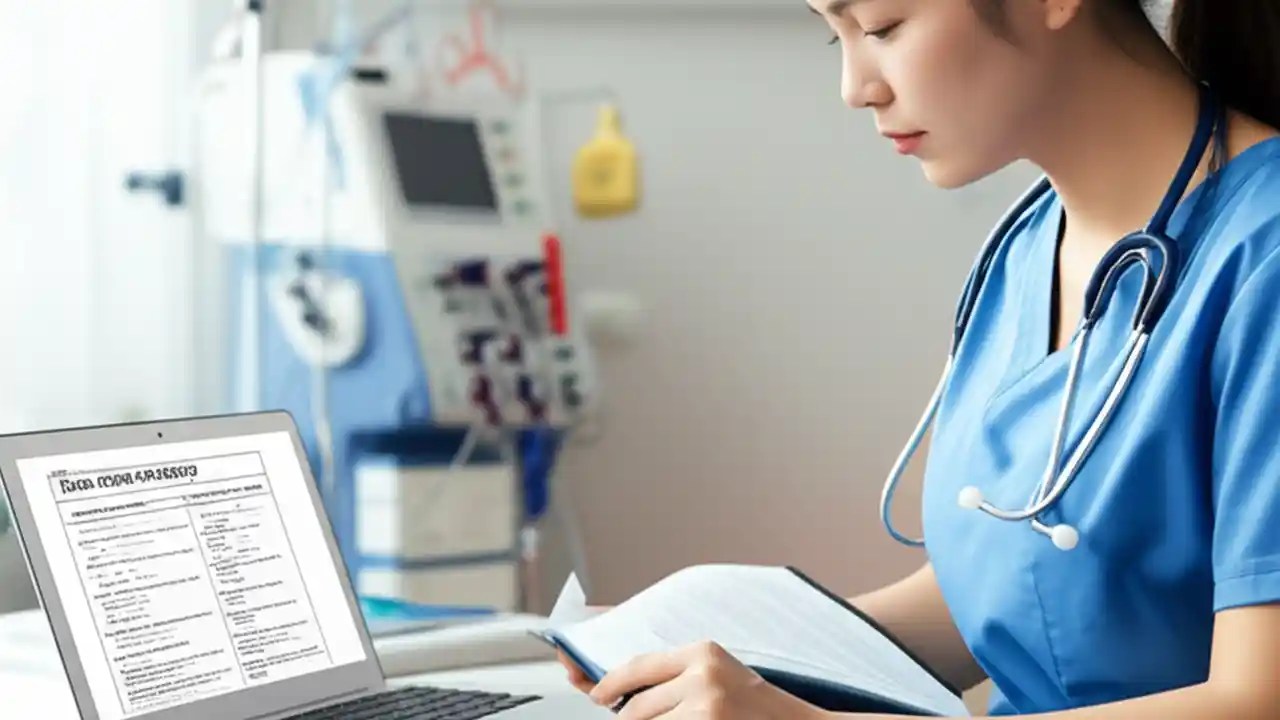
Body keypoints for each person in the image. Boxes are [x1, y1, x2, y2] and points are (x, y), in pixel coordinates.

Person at [557, 0, 1280, 718]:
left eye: (881, 29)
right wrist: (735, 652)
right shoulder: (1028, 245)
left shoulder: (1264, 256)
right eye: (830, 36)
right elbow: (1028, 584)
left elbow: (1259, 699)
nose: (855, 85)